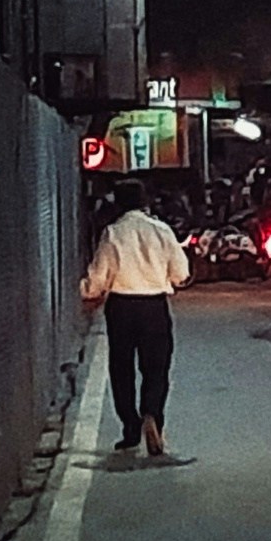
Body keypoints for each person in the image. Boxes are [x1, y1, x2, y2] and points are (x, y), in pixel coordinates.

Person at [81, 189, 192, 460]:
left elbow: (98, 278)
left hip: (121, 306)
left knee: (122, 369)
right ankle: (152, 414)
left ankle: (130, 428)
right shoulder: (162, 230)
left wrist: (87, 291)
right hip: (154, 305)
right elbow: (181, 273)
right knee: (156, 368)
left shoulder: (113, 233)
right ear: (145, 202)